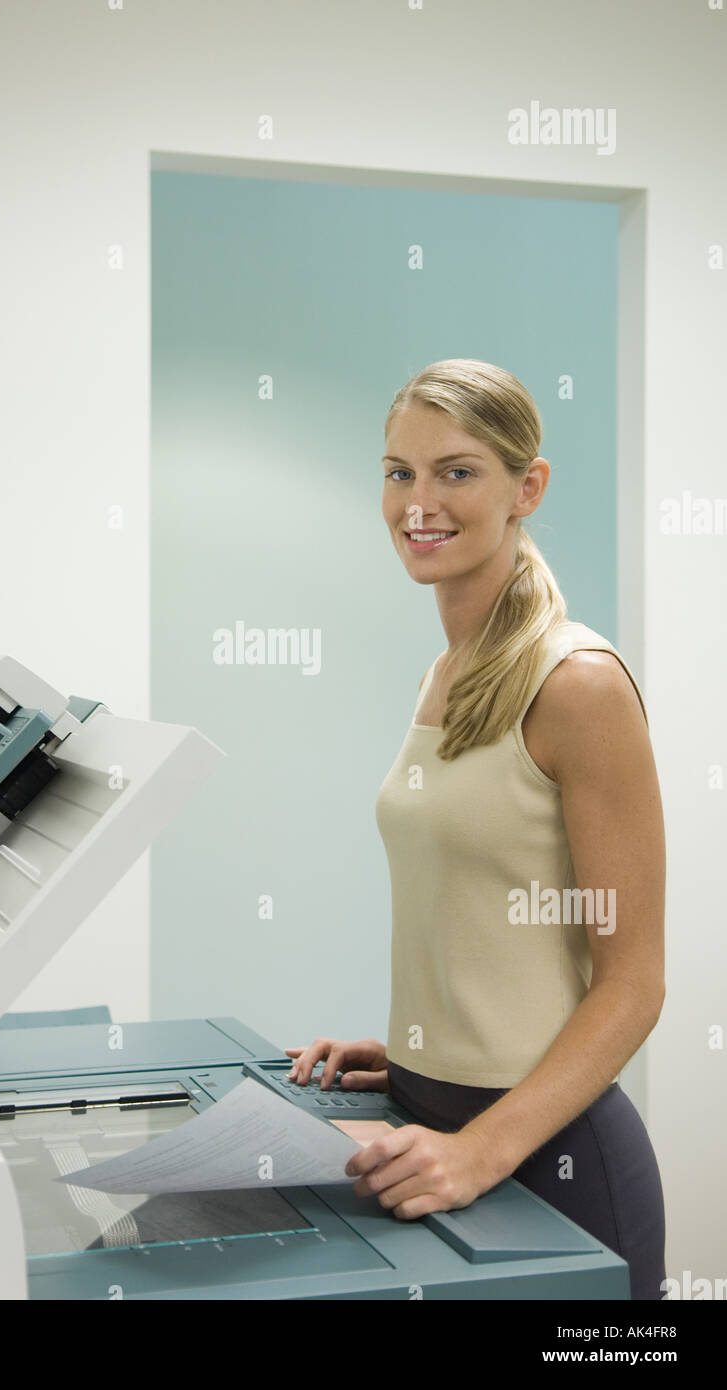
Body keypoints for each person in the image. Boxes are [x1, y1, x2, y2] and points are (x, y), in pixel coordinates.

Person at [286, 358, 667, 1300]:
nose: (418, 501)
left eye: (455, 472)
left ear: (524, 489)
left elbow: (633, 985)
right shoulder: (444, 674)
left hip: (548, 1165)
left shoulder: (576, 683)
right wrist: (418, 1052)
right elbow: (484, 917)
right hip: (429, 1127)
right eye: (398, 472)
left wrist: (477, 1152)